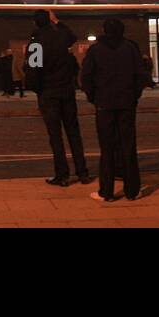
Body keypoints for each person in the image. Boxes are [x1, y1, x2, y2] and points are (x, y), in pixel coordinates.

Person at [80, 18, 147, 202]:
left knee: (107, 148)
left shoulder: (96, 50)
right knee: (128, 146)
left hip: (104, 103)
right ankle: (132, 190)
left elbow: (86, 77)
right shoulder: (130, 48)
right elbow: (140, 74)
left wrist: (93, 97)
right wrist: (134, 96)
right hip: (126, 103)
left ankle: (107, 191)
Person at [29, 10, 92, 187]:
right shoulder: (61, 36)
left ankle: (62, 175)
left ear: (35, 23)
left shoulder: (36, 41)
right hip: (66, 90)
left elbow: (33, 72)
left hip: (49, 93)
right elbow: (73, 37)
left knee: (55, 136)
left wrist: (38, 91)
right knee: (73, 132)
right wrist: (57, 21)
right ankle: (82, 172)